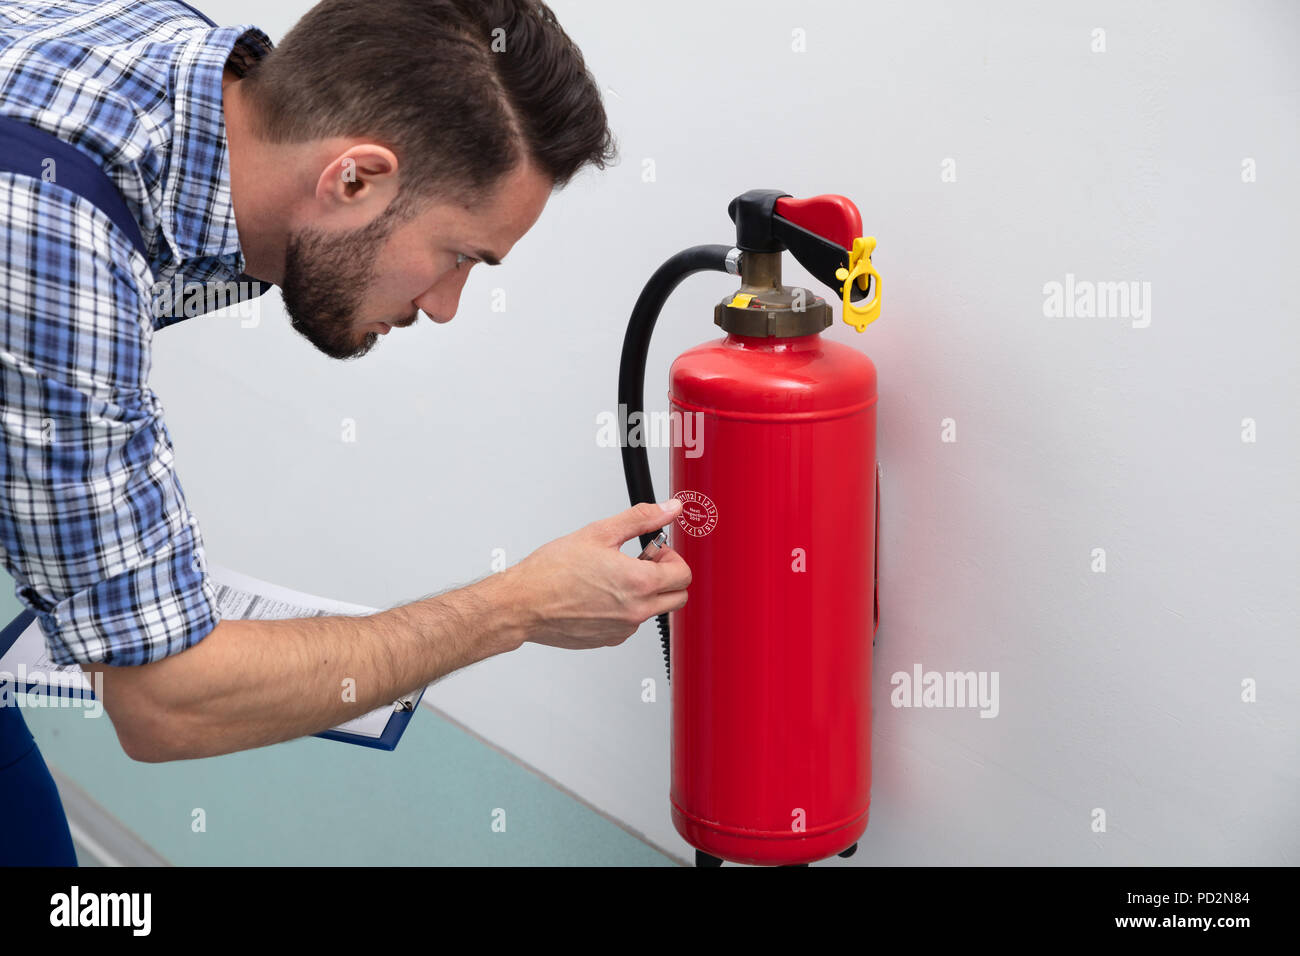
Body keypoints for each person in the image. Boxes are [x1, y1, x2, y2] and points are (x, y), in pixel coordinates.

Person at [0, 0, 689, 862]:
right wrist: (514, 607)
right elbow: (165, 702)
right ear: (353, 179)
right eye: (461, 257)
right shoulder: (51, 239)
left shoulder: (191, 84)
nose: (443, 308)